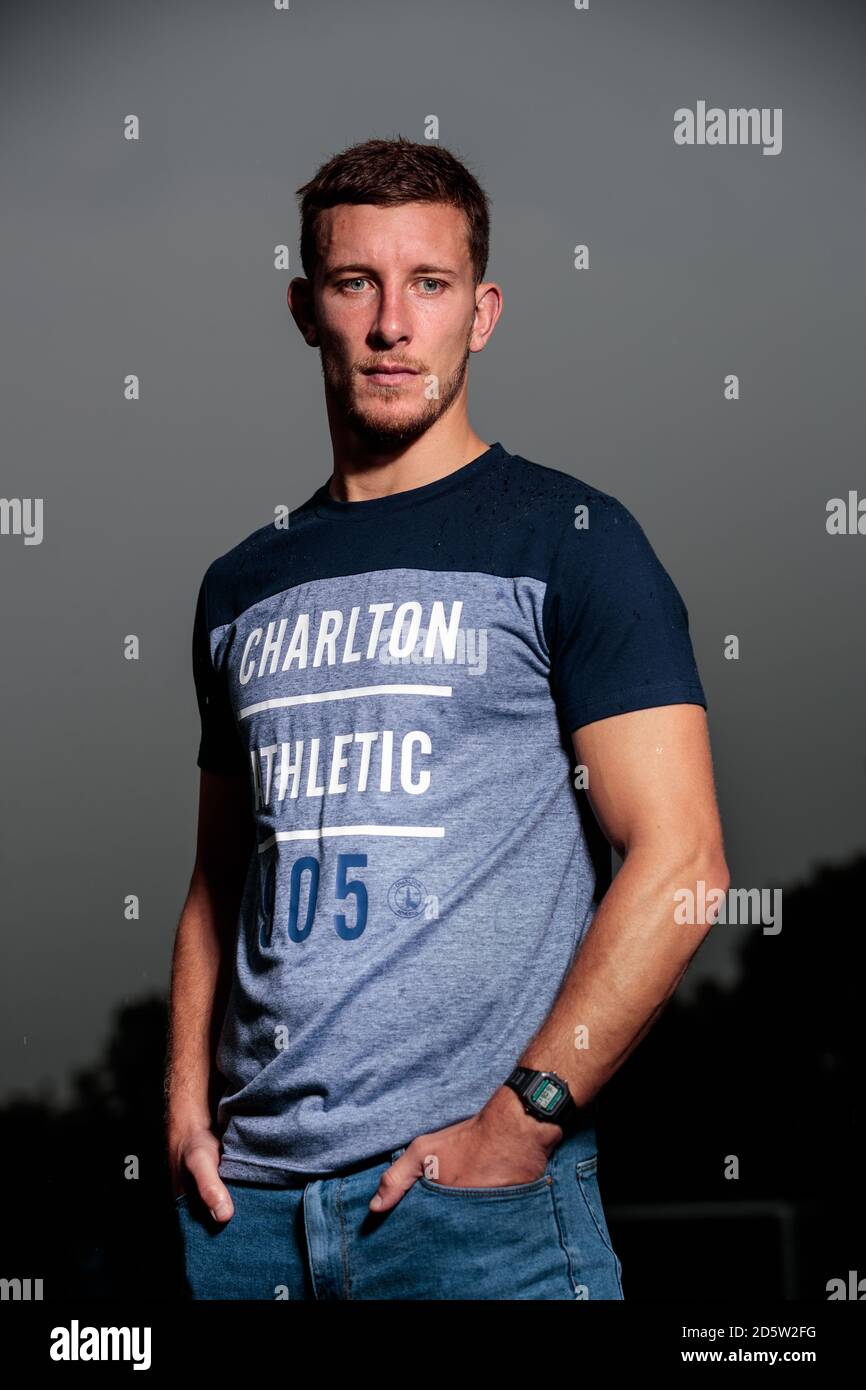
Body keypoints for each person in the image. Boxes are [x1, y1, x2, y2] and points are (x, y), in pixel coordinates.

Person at [166, 135, 729, 1300]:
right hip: (246, 1228)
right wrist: (181, 1110)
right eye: (352, 282)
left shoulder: (571, 540)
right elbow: (219, 881)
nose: (389, 325)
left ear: (481, 312)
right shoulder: (240, 584)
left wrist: (519, 1125)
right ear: (302, 308)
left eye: (426, 285)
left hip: (474, 1215)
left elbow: (683, 862)